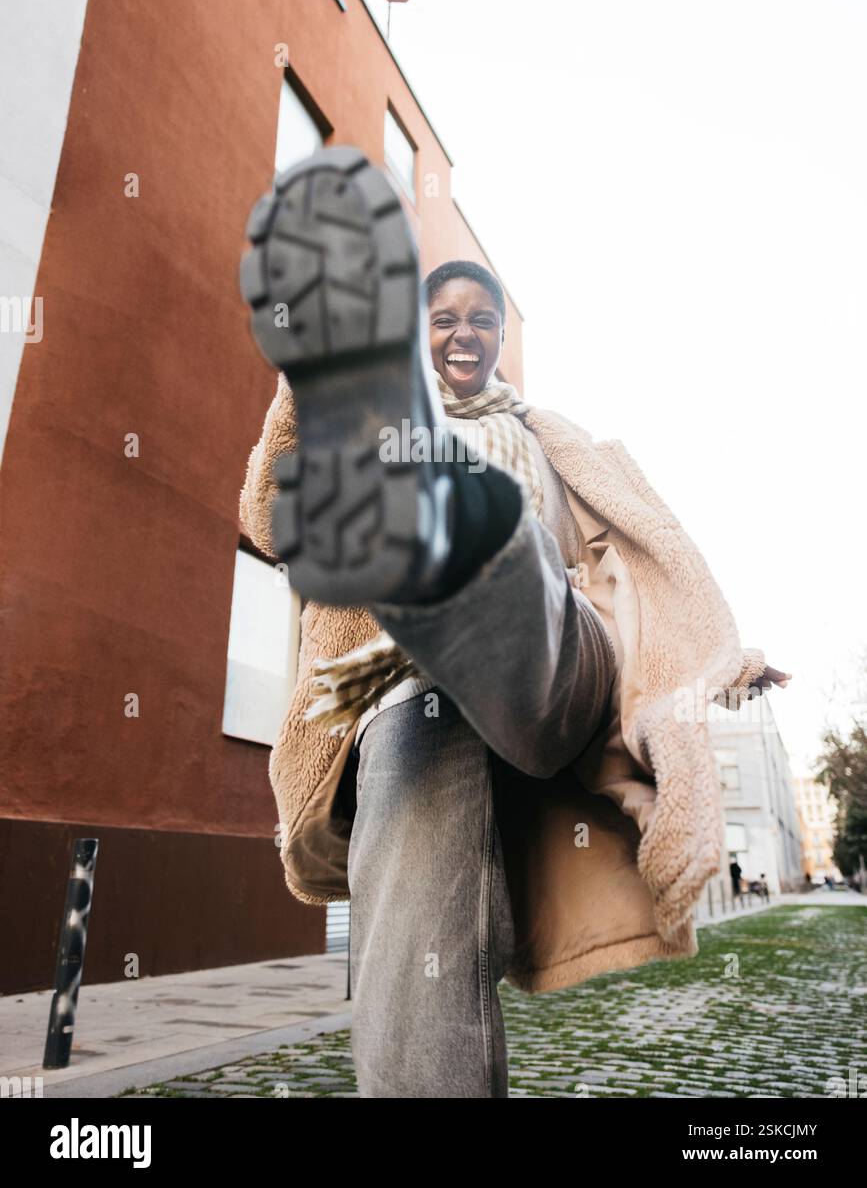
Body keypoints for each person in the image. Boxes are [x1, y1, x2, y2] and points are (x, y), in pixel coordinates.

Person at [238, 144, 792, 1098]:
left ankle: (456, 523)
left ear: (500, 336)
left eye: (480, 320)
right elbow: (264, 523)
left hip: (555, 664)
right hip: (408, 680)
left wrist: (714, 667)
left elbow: (658, 575)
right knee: (417, 917)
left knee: (508, 546)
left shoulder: (554, 437)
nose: (462, 333)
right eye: (440, 319)